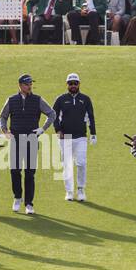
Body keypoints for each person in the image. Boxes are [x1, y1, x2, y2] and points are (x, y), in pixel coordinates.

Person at [0, 74, 55, 214]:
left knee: (30, 173)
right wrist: (5, 131)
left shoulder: (37, 100)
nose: (30, 86)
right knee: (15, 170)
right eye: (27, 84)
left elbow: (51, 113)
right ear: (20, 85)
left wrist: (43, 129)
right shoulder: (11, 100)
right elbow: (3, 116)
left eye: (31, 84)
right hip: (16, 139)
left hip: (31, 140)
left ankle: (29, 204)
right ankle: (17, 198)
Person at [52, 73, 97, 201]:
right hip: (65, 137)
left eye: (75, 83)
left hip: (81, 137)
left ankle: (81, 189)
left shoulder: (85, 99)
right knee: (67, 165)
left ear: (79, 84)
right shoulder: (60, 99)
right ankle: (69, 191)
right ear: (67, 85)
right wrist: (58, 130)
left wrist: (93, 133)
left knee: (81, 163)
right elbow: (54, 116)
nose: (73, 86)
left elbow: (91, 116)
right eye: (70, 83)